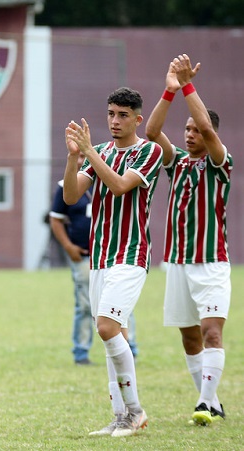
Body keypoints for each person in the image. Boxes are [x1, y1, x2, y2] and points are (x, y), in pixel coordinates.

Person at [63, 87, 162, 437]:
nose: (115, 121)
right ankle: (119, 415)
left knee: (106, 328)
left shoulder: (149, 150)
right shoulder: (101, 151)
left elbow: (120, 186)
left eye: (123, 115)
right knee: (112, 335)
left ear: (137, 118)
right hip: (100, 257)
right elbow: (71, 195)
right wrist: (75, 156)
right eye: (111, 114)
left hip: (130, 255)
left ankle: (135, 411)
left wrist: (89, 152)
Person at [145, 54, 232, 426]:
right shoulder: (176, 162)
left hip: (212, 261)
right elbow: (151, 133)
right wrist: (170, 90)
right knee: (189, 338)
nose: (190, 133)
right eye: (187, 129)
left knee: (212, 332)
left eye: (195, 129)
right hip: (177, 262)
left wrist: (188, 86)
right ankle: (210, 402)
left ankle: (204, 403)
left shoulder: (220, 161)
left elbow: (211, 134)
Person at [49, 158, 140, 366]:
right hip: (83, 255)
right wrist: (68, 247)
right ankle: (81, 351)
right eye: (77, 156)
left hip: (113, 254)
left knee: (121, 302)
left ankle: (130, 347)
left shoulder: (107, 179)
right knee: (84, 304)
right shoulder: (66, 186)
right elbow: (55, 218)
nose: (81, 160)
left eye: (85, 155)